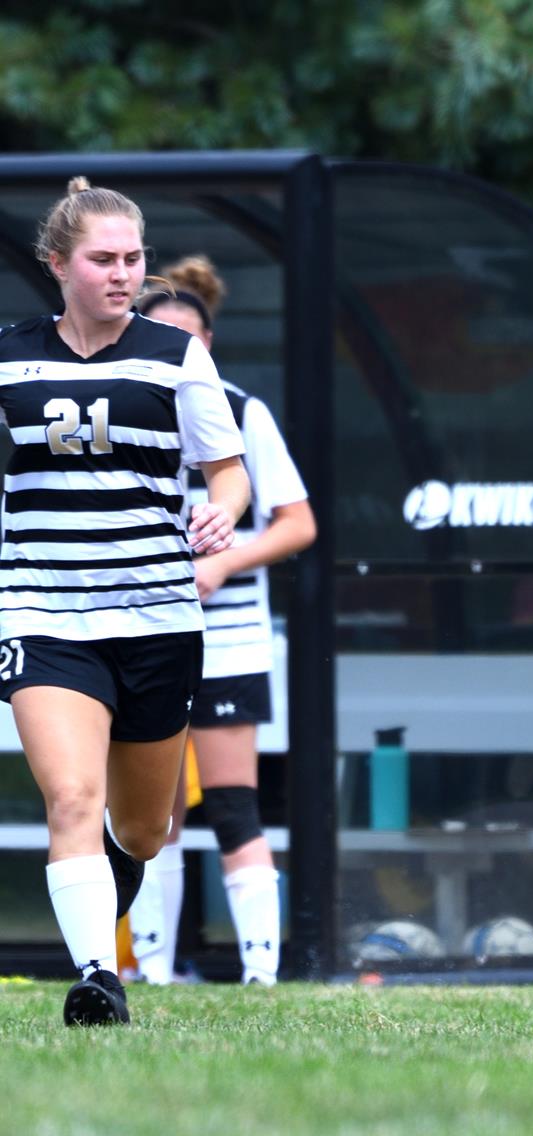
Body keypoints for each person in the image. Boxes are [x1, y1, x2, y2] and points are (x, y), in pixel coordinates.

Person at [0, 180, 247, 1025]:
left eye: (132, 259)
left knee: (144, 830)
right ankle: (99, 977)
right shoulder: (9, 356)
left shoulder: (176, 355)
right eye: (103, 260)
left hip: (155, 616)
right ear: (57, 264)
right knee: (70, 797)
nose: (121, 274)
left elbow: (229, 469)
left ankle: (107, 893)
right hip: (42, 611)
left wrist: (223, 509)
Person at [125, 256, 317, 986]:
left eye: (190, 336)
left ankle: (261, 978)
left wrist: (222, 562)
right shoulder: (117, 404)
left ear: (209, 341)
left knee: (234, 804)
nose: (177, 349)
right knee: (149, 816)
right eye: (161, 333)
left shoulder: (241, 411)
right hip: (138, 633)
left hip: (228, 638)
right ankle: (153, 971)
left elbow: (296, 524)